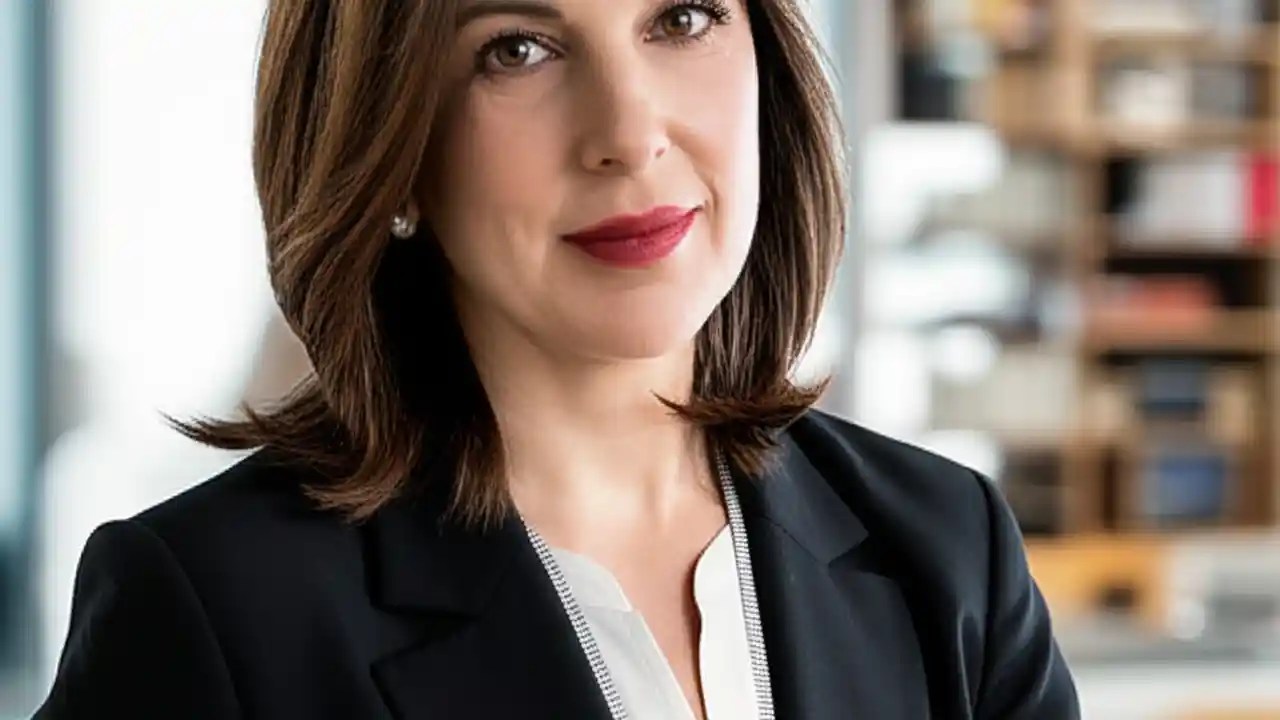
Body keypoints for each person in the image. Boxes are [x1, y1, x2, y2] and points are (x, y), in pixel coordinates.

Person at [36, 0, 1080, 718]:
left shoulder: (947, 553)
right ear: (387, 140)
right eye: (515, 48)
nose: (628, 133)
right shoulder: (217, 610)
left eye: (681, 18)